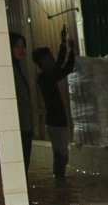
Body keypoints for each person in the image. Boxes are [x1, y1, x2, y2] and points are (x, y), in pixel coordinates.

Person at [32, 24, 77, 182]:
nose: (51, 59)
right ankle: (59, 181)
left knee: (61, 154)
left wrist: (69, 50)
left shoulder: (48, 76)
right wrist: (64, 44)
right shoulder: (44, 78)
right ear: (42, 62)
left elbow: (66, 68)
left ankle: (60, 182)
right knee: (61, 154)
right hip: (55, 123)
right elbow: (60, 65)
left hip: (58, 122)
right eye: (48, 57)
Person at [10, 32, 33, 169]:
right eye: (17, 46)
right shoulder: (11, 70)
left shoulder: (17, 69)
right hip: (21, 126)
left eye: (23, 46)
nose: (22, 50)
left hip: (25, 125)